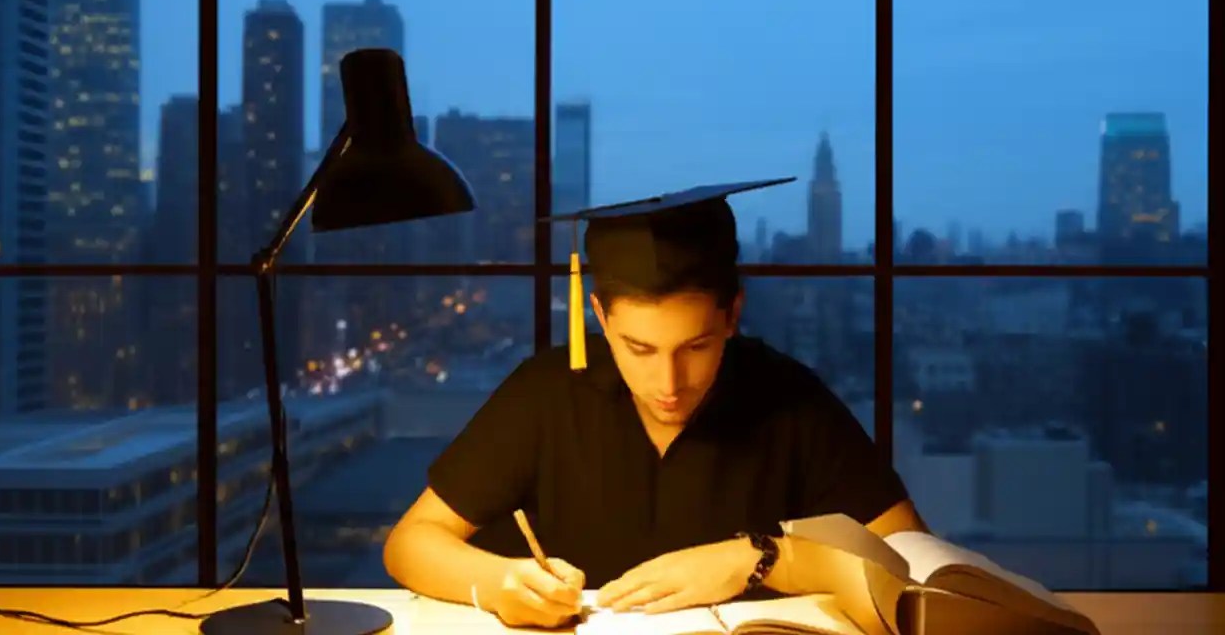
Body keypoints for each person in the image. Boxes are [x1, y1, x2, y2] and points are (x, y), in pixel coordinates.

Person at [383, 178, 928, 628]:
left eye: (696, 346)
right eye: (639, 348)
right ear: (600, 317)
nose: (669, 383)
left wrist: (764, 558)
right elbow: (409, 543)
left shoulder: (790, 398)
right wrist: (498, 583)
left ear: (732, 315)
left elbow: (914, 563)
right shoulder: (547, 391)